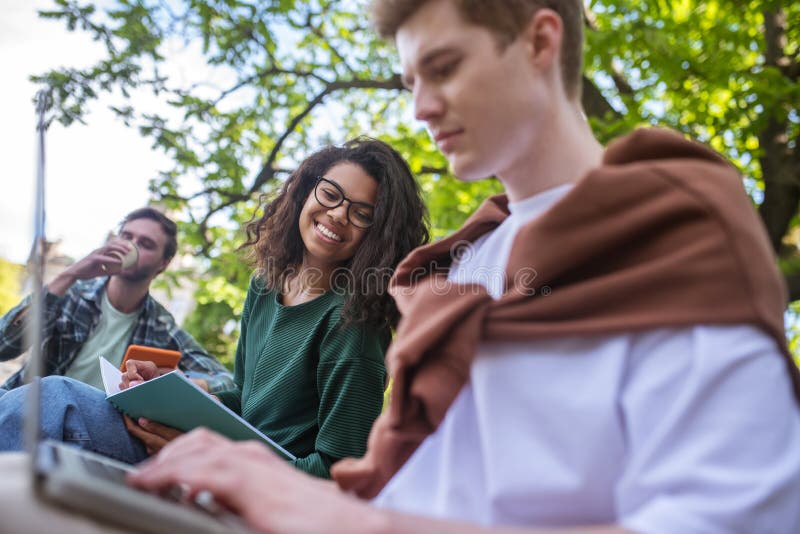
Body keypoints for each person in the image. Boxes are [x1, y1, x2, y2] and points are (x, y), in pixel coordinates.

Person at [124, 1, 800, 533]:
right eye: (412, 79)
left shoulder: (676, 247)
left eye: (444, 67)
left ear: (540, 42)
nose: (419, 107)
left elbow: (734, 521)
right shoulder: (461, 267)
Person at [0, 138, 429, 478]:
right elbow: (244, 397)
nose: (337, 215)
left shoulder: (352, 324)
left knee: (58, 400)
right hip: (217, 454)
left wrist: (213, 458)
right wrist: (176, 390)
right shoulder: (265, 286)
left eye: (361, 214)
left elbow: (338, 474)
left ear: (379, 235)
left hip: (249, 485)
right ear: (305, 191)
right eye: (331, 194)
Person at [0, 207, 232, 393]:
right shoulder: (69, 293)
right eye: (126, 236)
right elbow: (4, 346)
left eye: (146, 243)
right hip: (23, 414)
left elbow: (226, 380)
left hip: (91, 435)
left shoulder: (162, 327)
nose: (130, 246)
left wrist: (187, 383)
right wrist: (68, 275)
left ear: (164, 263)